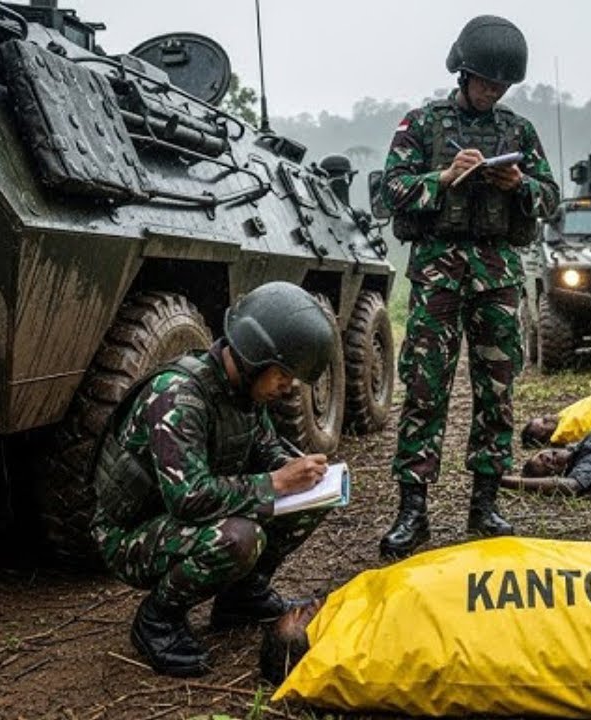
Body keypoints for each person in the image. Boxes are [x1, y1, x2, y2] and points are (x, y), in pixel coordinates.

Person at [378, 15, 560, 559]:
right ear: (462, 72)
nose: (492, 91)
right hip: (438, 274)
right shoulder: (422, 124)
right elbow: (391, 192)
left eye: (501, 85)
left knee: (497, 393)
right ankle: (413, 511)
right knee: (425, 391)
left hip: (498, 276)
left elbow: (550, 198)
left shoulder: (519, 132)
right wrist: (443, 177)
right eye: (484, 81)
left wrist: (520, 184)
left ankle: (484, 506)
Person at [90, 281, 338, 677]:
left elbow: (266, 449)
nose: (289, 387)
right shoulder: (178, 396)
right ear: (254, 357)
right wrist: (275, 482)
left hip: (184, 518)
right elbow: (188, 497)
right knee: (240, 538)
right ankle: (157, 618)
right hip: (130, 535)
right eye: (284, 375)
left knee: (316, 498)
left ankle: (244, 597)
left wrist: (302, 472)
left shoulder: (245, 393)